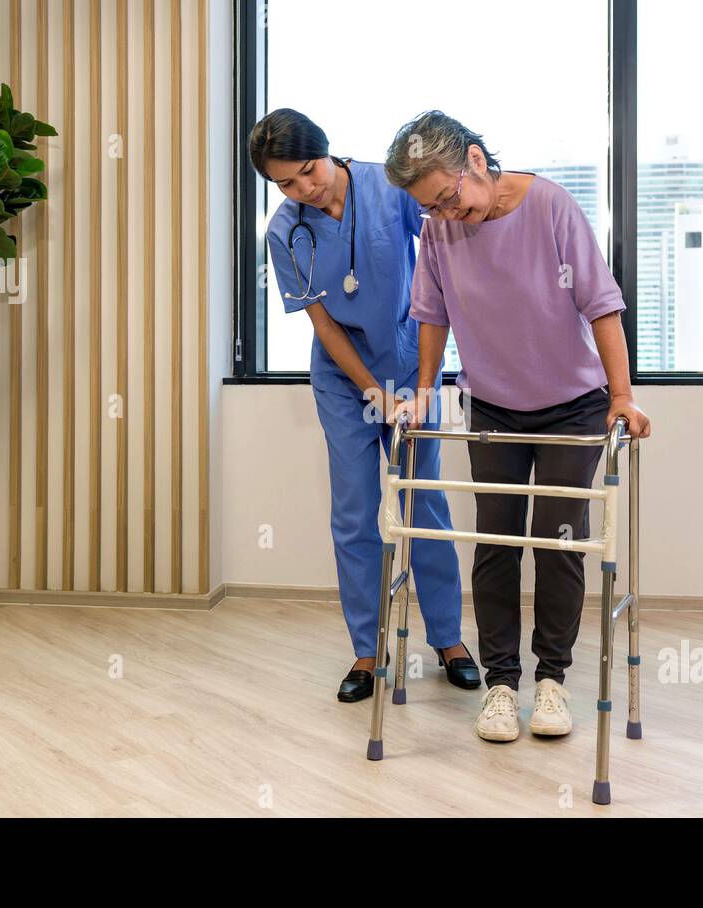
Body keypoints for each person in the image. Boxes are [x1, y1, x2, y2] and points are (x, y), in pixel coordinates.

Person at [386, 110, 652, 741]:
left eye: (450, 197)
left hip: (573, 404)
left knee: (560, 540)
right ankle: (502, 684)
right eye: (432, 208)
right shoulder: (440, 232)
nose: (447, 215)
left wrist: (621, 395)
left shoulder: (551, 206)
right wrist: (423, 391)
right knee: (497, 543)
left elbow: (601, 303)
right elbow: (432, 313)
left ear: (476, 160)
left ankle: (552, 682)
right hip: (493, 407)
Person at [248, 109, 480, 702]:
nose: (305, 189)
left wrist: (416, 380)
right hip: (342, 380)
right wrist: (370, 393)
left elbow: (438, 261)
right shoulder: (284, 232)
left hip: (408, 363)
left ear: (327, 149)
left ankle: (449, 640)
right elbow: (323, 326)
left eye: (308, 171)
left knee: (423, 501)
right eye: (287, 184)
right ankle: (365, 651)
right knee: (354, 513)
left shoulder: (388, 185)